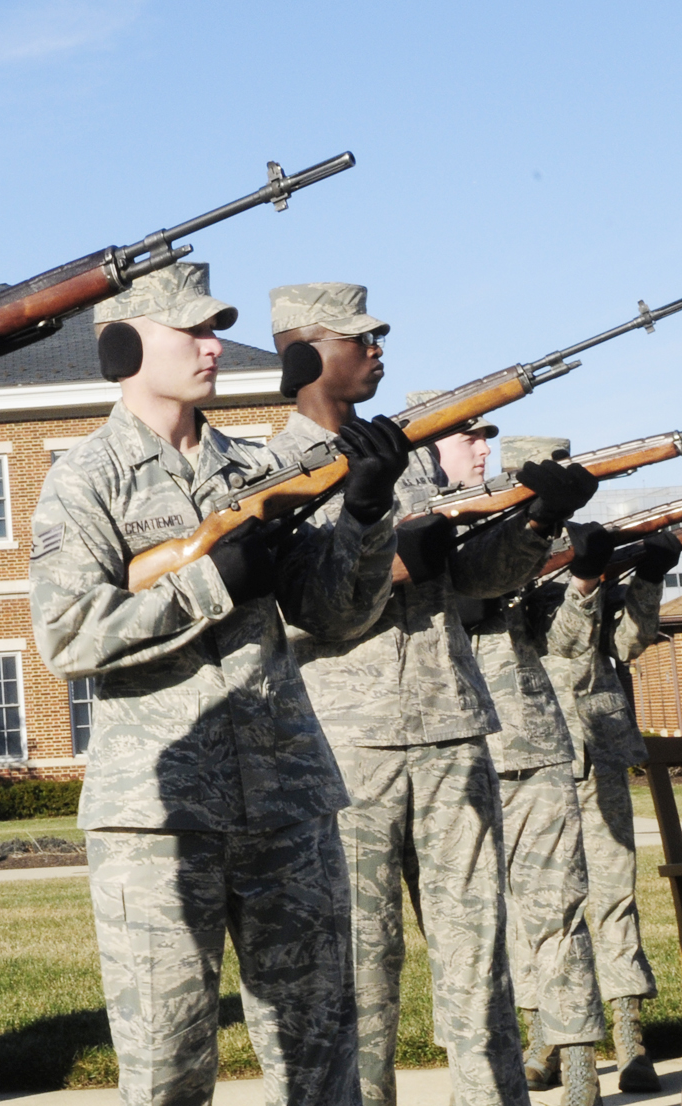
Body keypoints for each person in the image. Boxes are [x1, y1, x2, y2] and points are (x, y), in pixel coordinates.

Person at [28, 264, 408, 1106]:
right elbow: (68, 634)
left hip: (287, 798)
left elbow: (336, 615)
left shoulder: (257, 471)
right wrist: (210, 584)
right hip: (156, 819)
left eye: (215, 331)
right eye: (191, 331)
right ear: (124, 346)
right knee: (168, 1064)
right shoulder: (86, 477)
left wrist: (366, 515)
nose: (213, 348)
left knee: (321, 1054)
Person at [264, 284, 599, 1106]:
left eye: (378, 336)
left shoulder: (409, 456)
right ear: (305, 351)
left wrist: (535, 525)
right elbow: (306, 610)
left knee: (478, 951)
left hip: (450, 724)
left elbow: (470, 580)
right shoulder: (274, 471)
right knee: (362, 961)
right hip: (352, 742)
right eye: (359, 338)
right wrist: (385, 540)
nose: (377, 349)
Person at [442, 428, 605, 1106]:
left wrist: (584, 582)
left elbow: (562, 643)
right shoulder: (419, 526)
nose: (482, 450)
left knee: (557, 909)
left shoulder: (536, 538)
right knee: (473, 925)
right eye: (470, 438)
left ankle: (579, 1068)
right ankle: (500, 1064)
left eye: (490, 441)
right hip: (454, 748)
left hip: (533, 744)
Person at [542, 509, 682, 1094]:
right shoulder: (499, 557)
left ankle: (630, 1039)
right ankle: (548, 1037)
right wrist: (580, 579)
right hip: (531, 746)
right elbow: (557, 645)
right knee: (546, 904)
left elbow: (627, 643)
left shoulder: (590, 545)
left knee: (614, 893)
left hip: (598, 746)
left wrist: (648, 578)